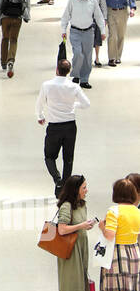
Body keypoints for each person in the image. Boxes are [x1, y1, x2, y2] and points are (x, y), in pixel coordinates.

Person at [48, 174, 96, 291]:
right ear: (75, 190)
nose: (86, 190)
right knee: (68, 286)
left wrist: (86, 226)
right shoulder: (67, 206)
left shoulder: (82, 205)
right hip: (69, 252)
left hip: (80, 249)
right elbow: (61, 230)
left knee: (77, 283)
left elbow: (78, 226)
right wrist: (82, 225)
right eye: (83, 188)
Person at [94, 178, 140, 291]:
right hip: (134, 254)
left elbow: (110, 235)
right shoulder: (137, 211)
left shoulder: (114, 211)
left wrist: (102, 227)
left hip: (116, 256)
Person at [36, 58, 90, 193]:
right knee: (68, 158)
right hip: (70, 127)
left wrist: (40, 116)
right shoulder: (74, 86)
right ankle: (65, 187)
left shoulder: (47, 85)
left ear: (56, 70)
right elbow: (86, 104)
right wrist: (73, 105)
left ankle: (57, 179)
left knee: (49, 156)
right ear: (69, 71)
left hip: (54, 126)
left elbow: (40, 103)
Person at [61, 0, 105, 89]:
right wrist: (63, 30)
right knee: (78, 54)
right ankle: (76, 74)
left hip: (89, 32)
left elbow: (99, 17)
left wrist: (103, 31)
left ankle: (84, 79)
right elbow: (66, 16)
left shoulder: (93, 1)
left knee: (87, 57)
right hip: (75, 31)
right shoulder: (72, 0)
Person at [103, 0, 136, 65]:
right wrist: (102, 14)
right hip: (110, 10)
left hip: (122, 11)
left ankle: (118, 56)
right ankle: (111, 58)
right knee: (112, 35)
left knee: (121, 35)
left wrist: (132, 9)